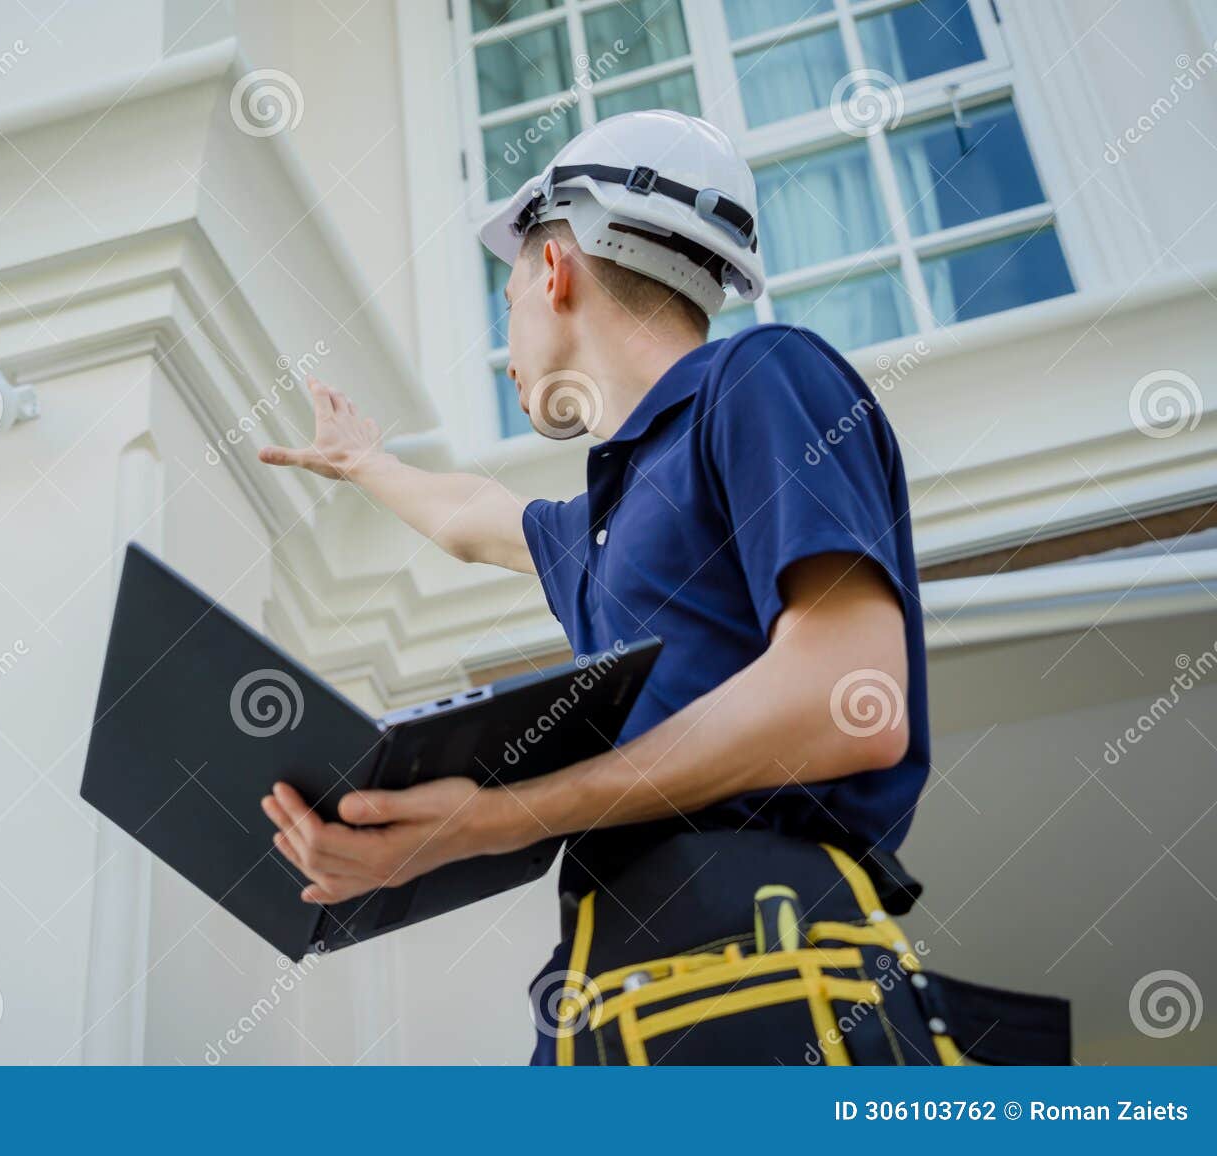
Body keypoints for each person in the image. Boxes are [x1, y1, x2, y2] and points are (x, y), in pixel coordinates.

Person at [256, 111, 1064, 1066]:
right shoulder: (610, 520)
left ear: (554, 268)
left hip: (764, 969)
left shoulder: (760, 378)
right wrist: (367, 464)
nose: (507, 348)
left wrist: (496, 819)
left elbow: (851, 700)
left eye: (507, 300)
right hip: (605, 992)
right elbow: (475, 519)